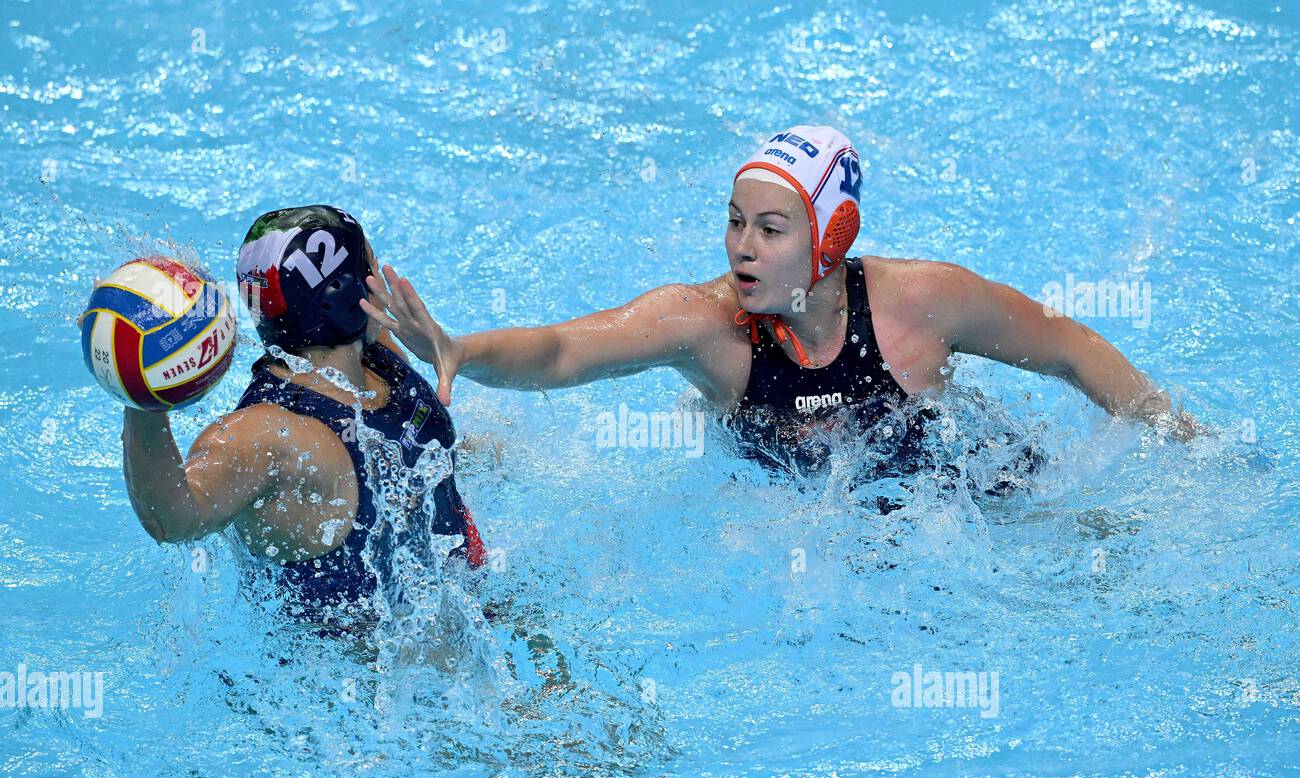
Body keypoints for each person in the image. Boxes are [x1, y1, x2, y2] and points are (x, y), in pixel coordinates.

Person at [361, 125, 1206, 492]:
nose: (742, 248)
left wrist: (1180, 435)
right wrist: (461, 349)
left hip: (969, 494)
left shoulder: (921, 303)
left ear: (831, 236)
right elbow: (564, 351)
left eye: (770, 229)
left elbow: (1066, 347)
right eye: (735, 222)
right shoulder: (708, 327)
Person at [117, 205, 486, 626]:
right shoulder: (271, 435)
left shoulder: (375, 356)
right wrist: (142, 398)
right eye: (370, 268)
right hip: (369, 658)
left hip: (472, 601)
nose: (381, 283)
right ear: (344, 293)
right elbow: (174, 519)